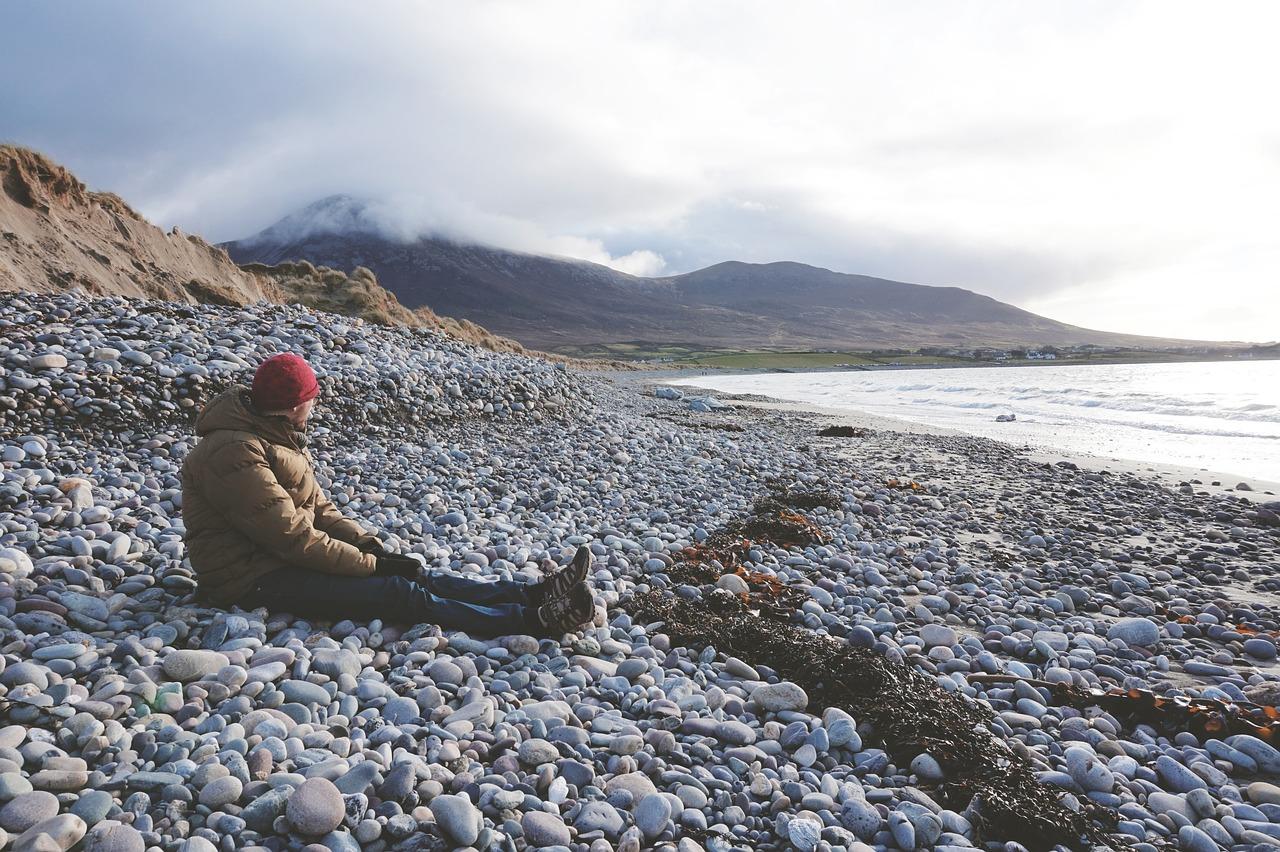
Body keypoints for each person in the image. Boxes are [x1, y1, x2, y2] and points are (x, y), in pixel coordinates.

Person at [179, 352, 595, 635]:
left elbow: (318, 509)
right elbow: (291, 537)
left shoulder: (273, 433)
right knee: (396, 592)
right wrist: (370, 566)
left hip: (278, 558)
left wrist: (370, 546)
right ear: (294, 405)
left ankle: (532, 594)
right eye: (312, 399)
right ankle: (533, 622)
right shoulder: (234, 452)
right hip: (247, 577)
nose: (315, 406)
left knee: (412, 573)